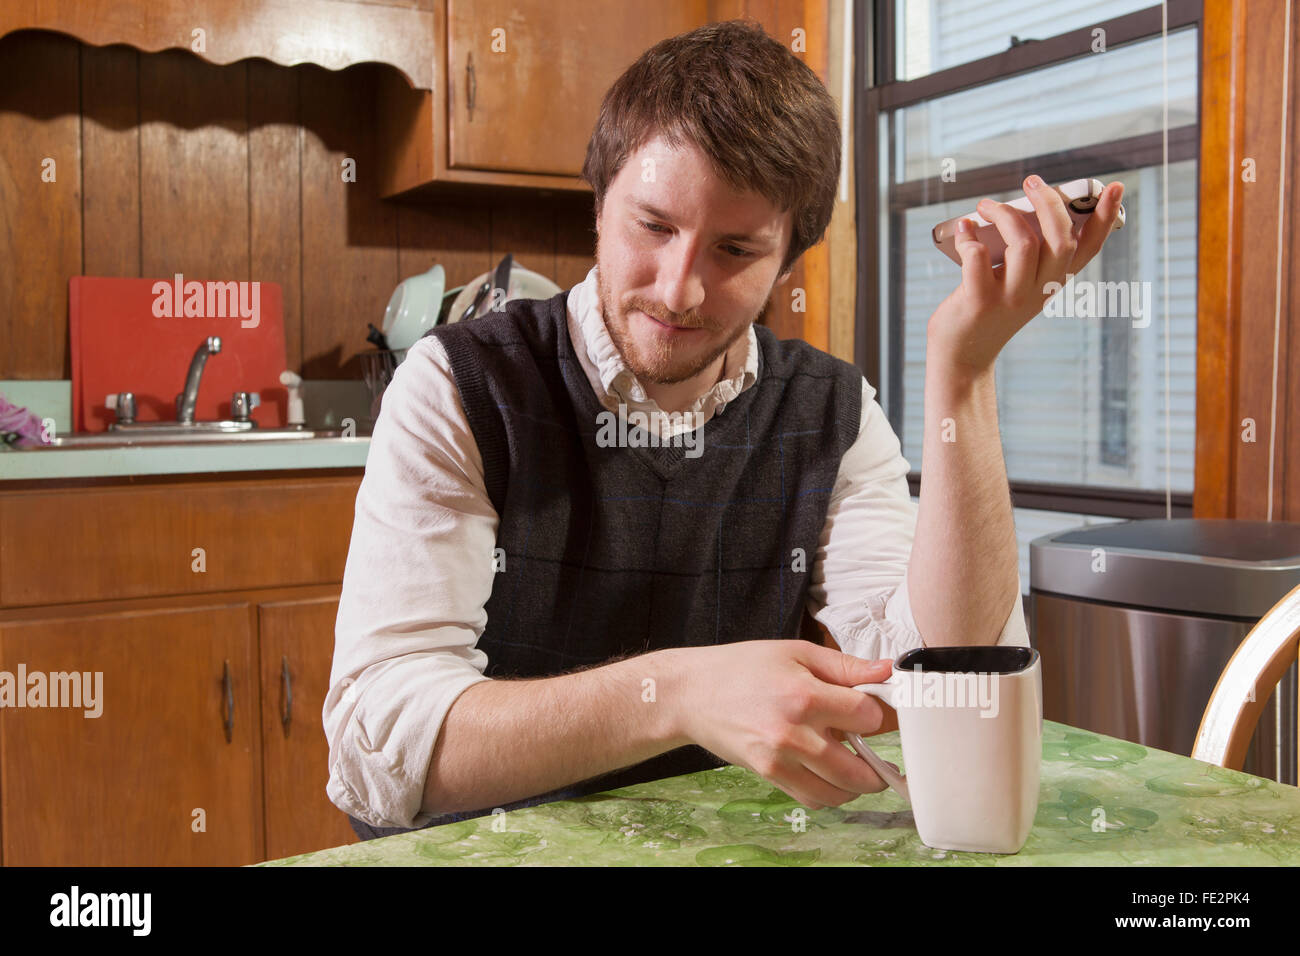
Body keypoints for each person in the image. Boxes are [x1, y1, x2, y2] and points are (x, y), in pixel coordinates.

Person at [324, 19, 1124, 839]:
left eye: (735, 249)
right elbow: (377, 749)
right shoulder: (461, 383)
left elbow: (939, 675)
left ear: (787, 260)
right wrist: (676, 694)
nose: (679, 291)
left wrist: (966, 375)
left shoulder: (833, 414)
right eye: (654, 227)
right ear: (599, 204)